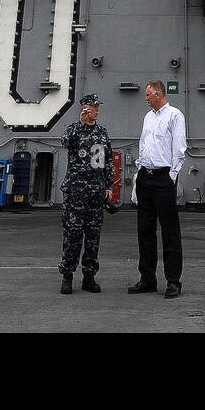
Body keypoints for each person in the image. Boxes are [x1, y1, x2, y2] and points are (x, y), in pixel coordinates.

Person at [129, 80, 186, 299]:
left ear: (158, 94)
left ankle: (173, 281)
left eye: (148, 94)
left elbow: (179, 149)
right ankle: (147, 279)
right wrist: (138, 174)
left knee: (170, 231)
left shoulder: (174, 115)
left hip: (163, 177)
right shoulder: (148, 117)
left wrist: (171, 178)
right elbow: (144, 145)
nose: (145, 98)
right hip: (146, 176)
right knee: (145, 230)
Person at [58, 93, 114, 295]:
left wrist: (109, 186)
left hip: (96, 193)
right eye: (93, 107)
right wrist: (81, 124)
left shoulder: (102, 133)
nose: (96, 110)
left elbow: (107, 161)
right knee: (72, 234)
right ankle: (67, 275)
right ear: (84, 108)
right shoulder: (74, 130)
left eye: (98, 107)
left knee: (93, 236)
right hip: (75, 192)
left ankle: (89, 276)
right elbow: (65, 142)